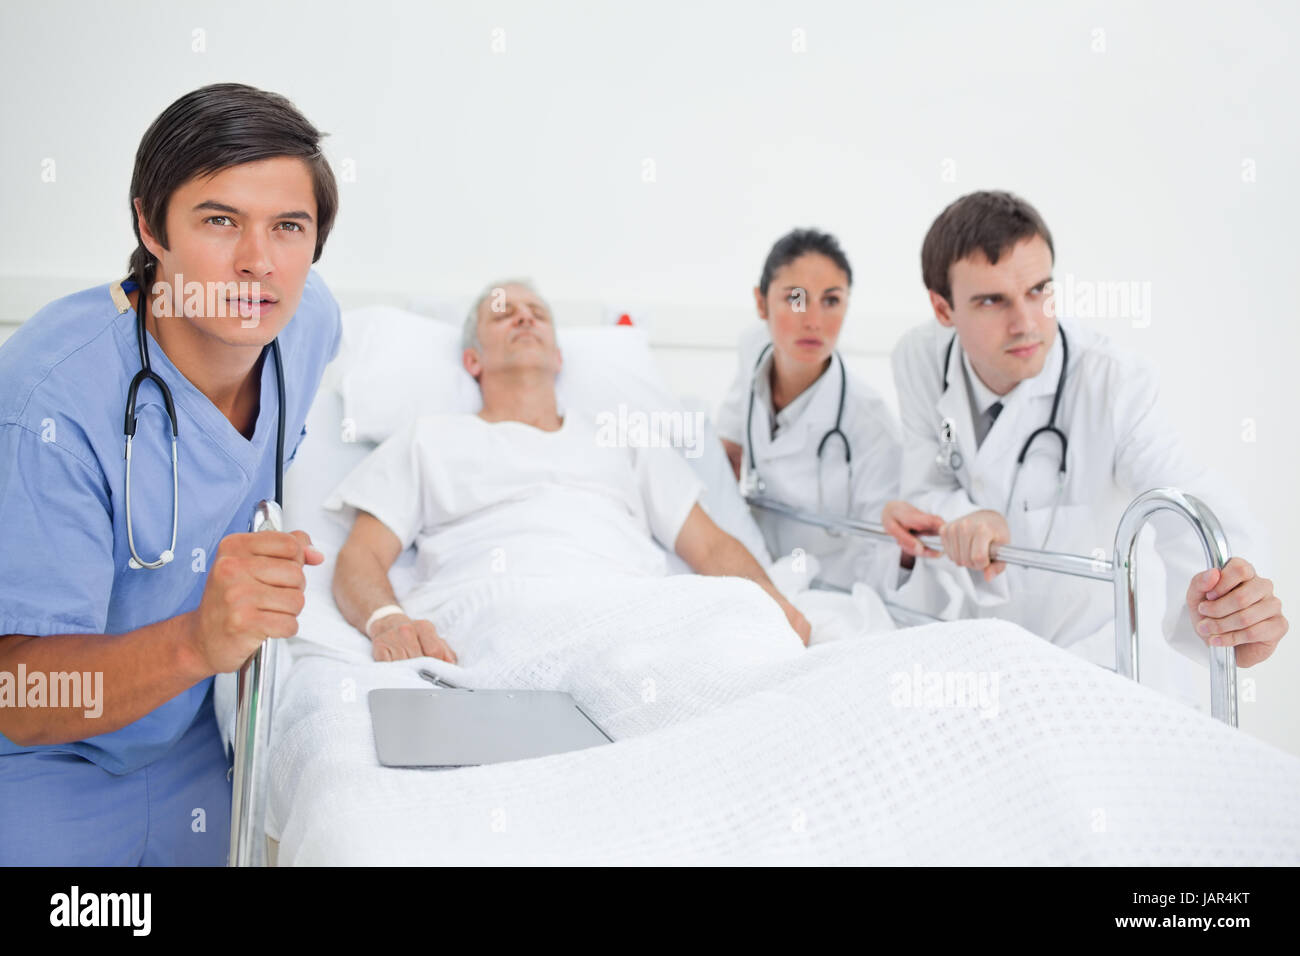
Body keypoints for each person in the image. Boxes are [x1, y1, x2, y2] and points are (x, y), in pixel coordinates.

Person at [0, 84, 342, 865]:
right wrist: (197, 640)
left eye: (289, 226)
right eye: (219, 220)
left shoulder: (307, 323)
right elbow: (17, 694)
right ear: (150, 226)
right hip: (38, 761)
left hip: (181, 742)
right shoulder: (47, 403)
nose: (258, 261)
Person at [881, 190, 1287, 704]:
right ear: (943, 308)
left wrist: (1235, 608)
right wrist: (968, 517)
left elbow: (1185, 506)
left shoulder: (1114, 382)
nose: (1027, 322)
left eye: (1039, 290)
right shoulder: (918, 359)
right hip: (984, 656)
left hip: (1103, 661)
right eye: (992, 301)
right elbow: (926, 485)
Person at [329, 279, 811, 660]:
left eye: (538, 313)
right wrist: (387, 620)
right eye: (504, 313)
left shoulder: (624, 436)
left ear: (558, 357)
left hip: (632, 625)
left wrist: (768, 602)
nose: (524, 317)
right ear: (472, 359)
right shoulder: (428, 439)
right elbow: (360, 555)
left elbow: (709, 545)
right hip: (487, 618)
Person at [715, 229, 904, 593]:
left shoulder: (872, 426)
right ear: (761, 303)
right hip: (754, 569)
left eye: (831, 300)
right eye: (796, 298)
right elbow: (728, 449)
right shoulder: (753, 350)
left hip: (831, 590)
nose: (814, 320)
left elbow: (885, 556)